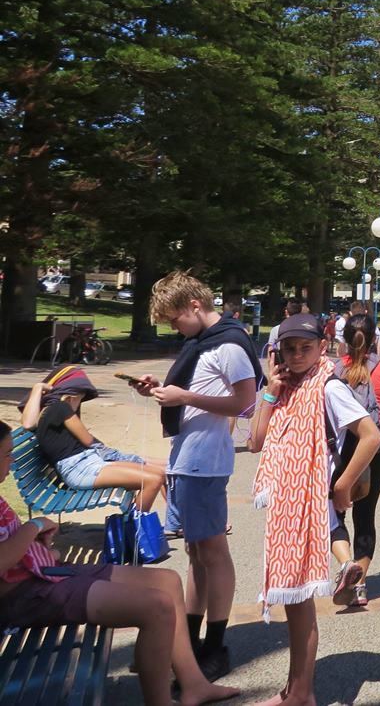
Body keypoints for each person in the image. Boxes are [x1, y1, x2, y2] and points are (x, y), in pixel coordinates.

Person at [0, 421, 239, 706]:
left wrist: (37, 543)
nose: (12, 461)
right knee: (156, 607)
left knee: (168, 581)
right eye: (6, 454)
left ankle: (193, 685)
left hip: (42, 575)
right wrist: (33, 526)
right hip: (24, 595)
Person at [134, 271, 263, 681]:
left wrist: (183, 396)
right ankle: (189, 636)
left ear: (193, 306)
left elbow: (245, 403)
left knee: (212, 554)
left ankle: (215, 646)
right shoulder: (203, 343)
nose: (174, 328)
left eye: (174, 319)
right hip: (188, 460)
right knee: (196, 553)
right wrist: (161, 388)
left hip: (203, 463)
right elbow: (198, 391)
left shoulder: (227, 343)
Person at [249, 312, 380, 706]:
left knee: (298, 600)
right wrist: (270, 391)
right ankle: (295, 689)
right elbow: (256, 441)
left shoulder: (327, 386)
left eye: (305, 347)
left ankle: (301, 692)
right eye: (289, 349)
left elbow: (371, 437)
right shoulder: (287, 385)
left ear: (322, 347)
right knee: (294, 600)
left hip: (309, 500)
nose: (296, 355)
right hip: (288, 502)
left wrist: (341, 485)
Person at [328, 314, 380, 608]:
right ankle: (359, 585)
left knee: (334, 513)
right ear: (376, 339)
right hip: (377, 443)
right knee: (366, 514)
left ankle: (346, 562)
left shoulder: (335, 370)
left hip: (344, 444)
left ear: (344, 340)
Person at [20, 367, 168, 514]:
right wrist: (38, 388)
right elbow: (90, 441)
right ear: (72, 396)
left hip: (86, 463)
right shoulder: (61, 408)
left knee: (160, 473)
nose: (80, 403)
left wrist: (37, 390)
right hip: (80, 468)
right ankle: (135, 530)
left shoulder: (49, 410)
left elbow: (29, 422)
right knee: (153, 480)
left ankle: (173, 522)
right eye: (81, 398)